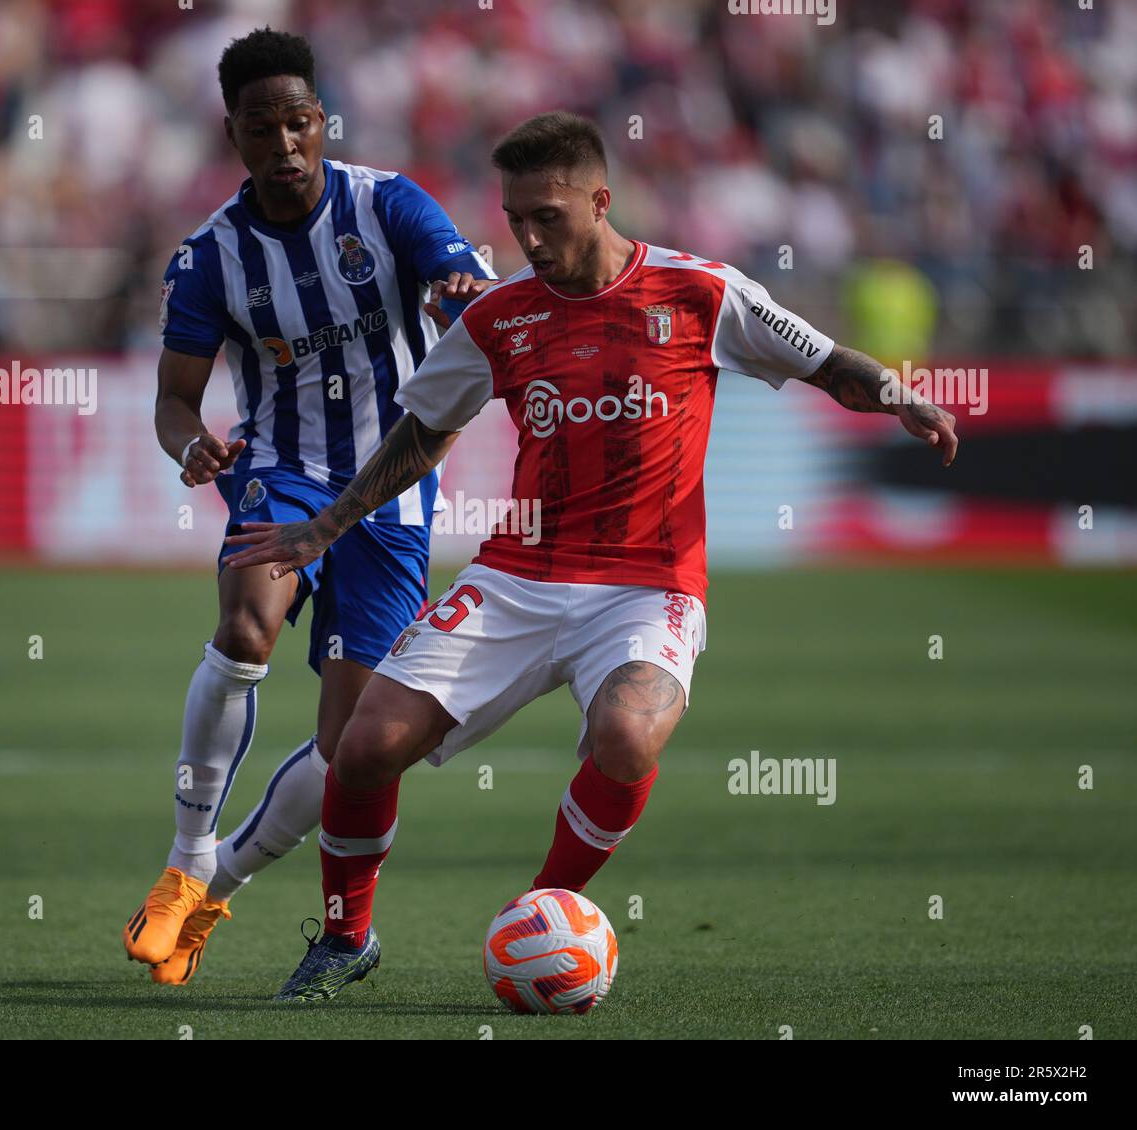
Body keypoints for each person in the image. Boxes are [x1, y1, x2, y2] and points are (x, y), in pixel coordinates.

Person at [223, 111, 958, 1001]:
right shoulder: (499, 317)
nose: (528, 238)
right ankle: (345, 940)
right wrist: (328, 524)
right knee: (365, 746)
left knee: (627, 734)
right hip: (517, 576)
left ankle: (545, 910)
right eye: (515, 219)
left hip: (648, 587)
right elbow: (423, 434)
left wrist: (897, 397)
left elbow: (823, 362)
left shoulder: (700, 293)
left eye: (548, 217)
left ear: (600, 201)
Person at [123, 27, 494, 985]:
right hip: (280, 468)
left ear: (321, 121)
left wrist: (462, 297)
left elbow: (476, 307)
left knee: (351, 748)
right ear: (233, 135)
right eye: (262, 129)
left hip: (394, 486)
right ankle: (185, 859)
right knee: (247, 628)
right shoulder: (211, 256)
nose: (285, 144)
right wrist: (190, 442)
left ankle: (219, 891)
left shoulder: (391, 205)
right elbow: (173, 399)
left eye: (299, 123)